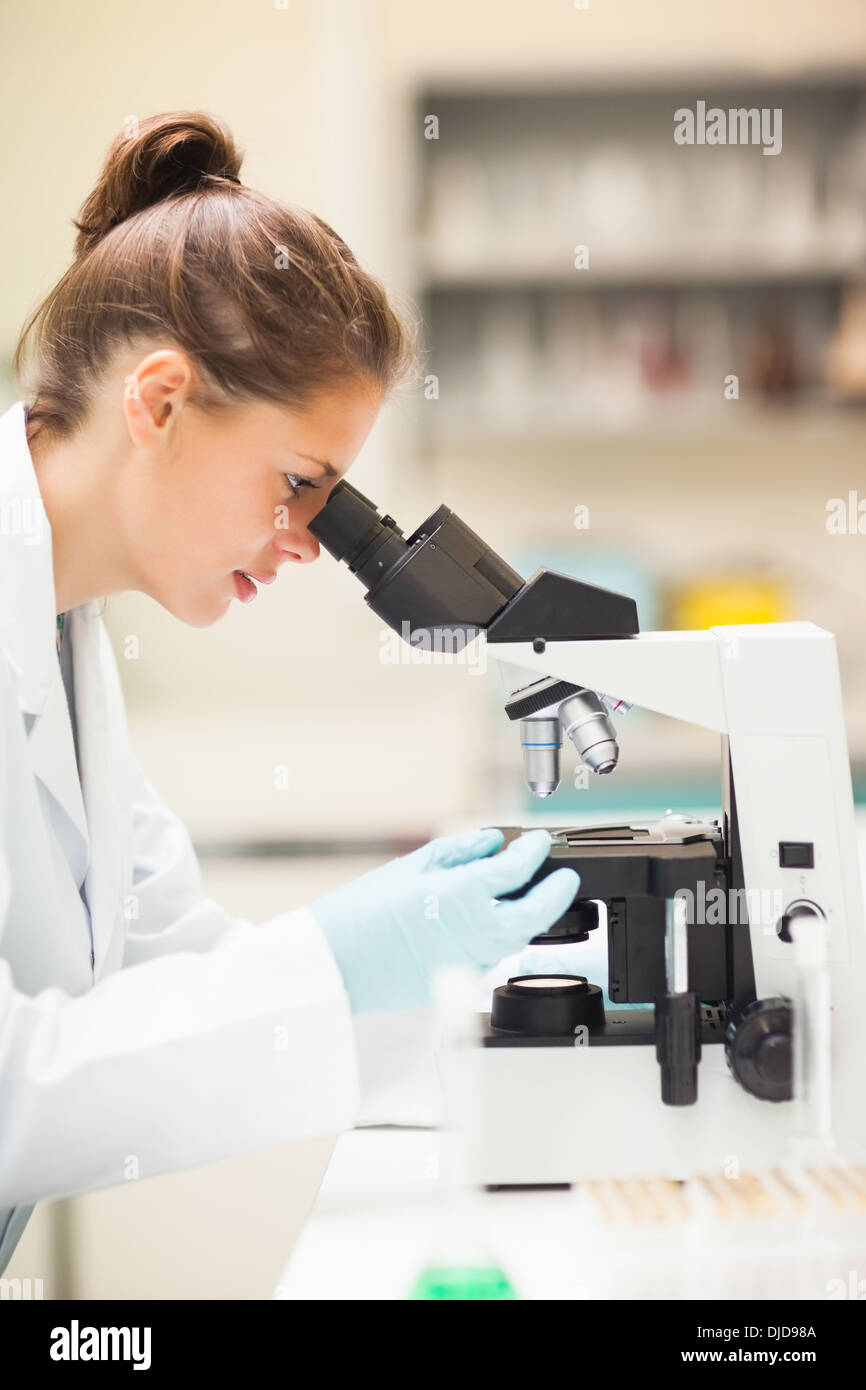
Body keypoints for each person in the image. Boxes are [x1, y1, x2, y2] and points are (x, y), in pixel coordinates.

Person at [0, 112, 579, 1273]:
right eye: (300, 483)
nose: (316, 540)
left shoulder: (65, 641)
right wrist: (340, 951)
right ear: (158, 404)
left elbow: (179, 973)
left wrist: (512, 993)